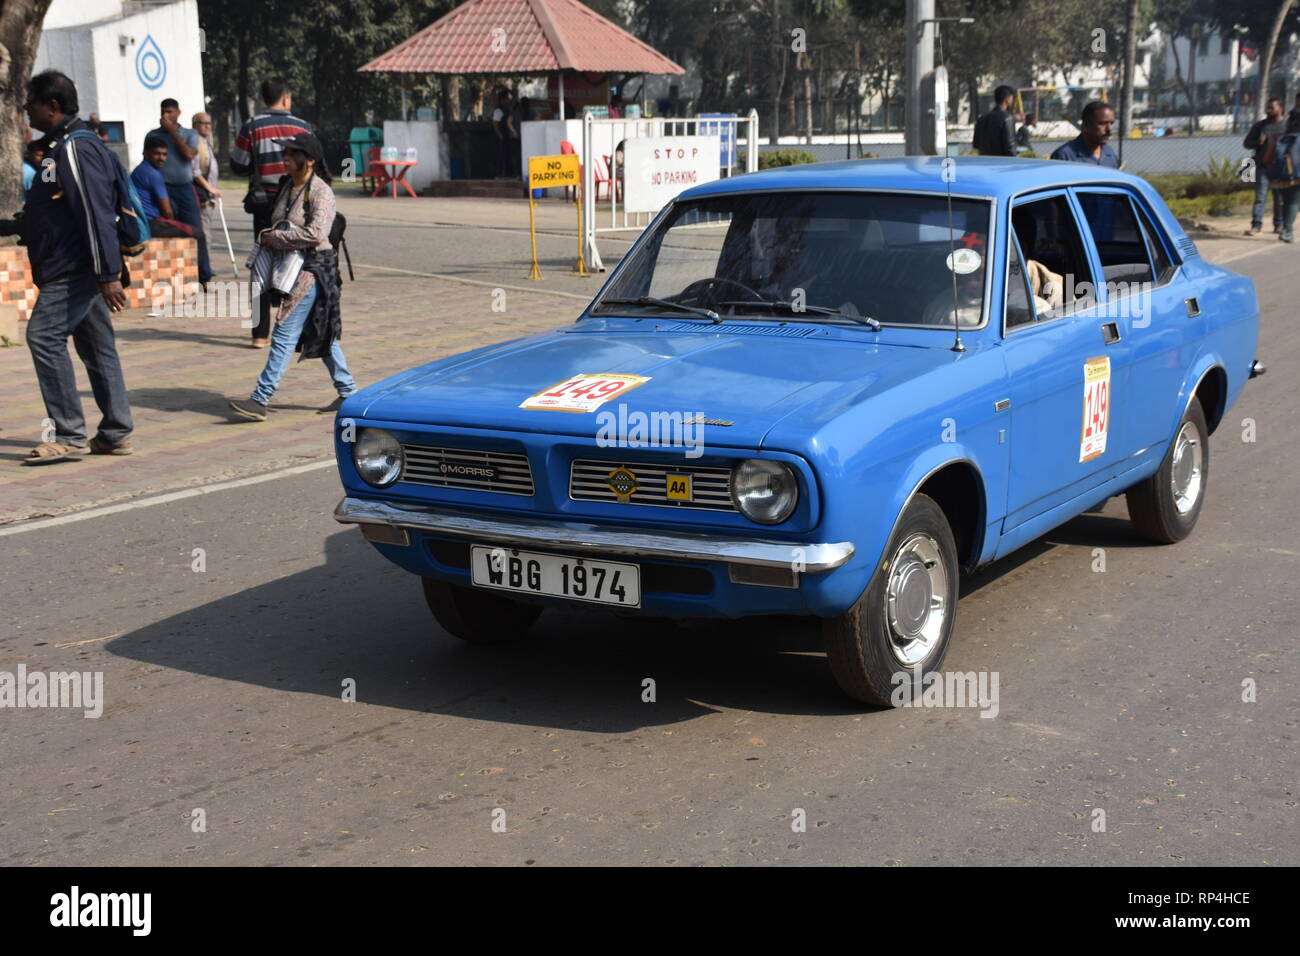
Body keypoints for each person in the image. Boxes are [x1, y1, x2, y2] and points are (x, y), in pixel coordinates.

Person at [19, 70, 134, 464]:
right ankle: (116, 431)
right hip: (72, 264)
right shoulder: (58, 146)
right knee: (97, 347)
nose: (25, 109)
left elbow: (95, 213)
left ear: (52, 106)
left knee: (42, 336)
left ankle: (67, 432)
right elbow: (54, 208)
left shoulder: (74, 147)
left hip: (76, 268)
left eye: (30, 102)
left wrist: (108, 275)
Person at [228, 131, 356, 421]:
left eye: (290, 155)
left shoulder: (321, 192)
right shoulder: (288, 186)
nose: (284, 159)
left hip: (312, 271)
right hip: (289, 268)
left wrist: (277, 238)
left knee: (284, 331)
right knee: (322, 333)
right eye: (284, 154)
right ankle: (349, 391)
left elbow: (316, 234)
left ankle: (260, 399)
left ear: (308, 160)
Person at [231, 78, 312, 347]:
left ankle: (259, 335)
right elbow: (314, 163)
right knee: (297, 262)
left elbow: (238, 165)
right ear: (286, 97)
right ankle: (294, 327)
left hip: (264, 202)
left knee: (260, 265)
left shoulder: (252, 126)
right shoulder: (302, 127)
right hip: (296, 202)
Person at [148, 98, 212, 286]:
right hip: (163, 189)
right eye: (163, 112)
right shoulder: (153, 135)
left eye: (170, 112)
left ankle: (204, 275)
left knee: (195, 230)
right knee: (168, 232)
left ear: (178, 113)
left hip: (184, 188)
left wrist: (172, 132)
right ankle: (175, 276)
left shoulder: (190, 134)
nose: (166, 115)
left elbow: (189, 155)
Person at [130, 135, 195, 237]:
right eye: (157, 154)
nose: (162, 158)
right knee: (197, 234)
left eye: (164, 154)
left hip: (140, 222)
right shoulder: (153, 174)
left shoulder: (138, 170)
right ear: (145, 153)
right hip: (151, 223)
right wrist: (171, 224)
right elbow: (167, 212)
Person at [1243, 98, 1285, 235]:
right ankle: (1256, 224)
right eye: (1267, 108)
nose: (1269, 110)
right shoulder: (1260, 126)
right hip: (1263, 166)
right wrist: (1258, 142)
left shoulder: (1287, 126)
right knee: (1260, 197)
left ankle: (1278, 224)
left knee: (1279, 198)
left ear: (1280, 108)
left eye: (1272, 107)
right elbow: (1247, 143)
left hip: (1281, 167)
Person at [190, 111, 223, 266]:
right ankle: (204, 269)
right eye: (204, 123)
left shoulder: (204, 142)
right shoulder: (196, 143)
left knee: (207, 231)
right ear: (195, 125)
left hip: (209, 196)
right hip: (202, 196)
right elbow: (195, 171)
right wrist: (210, 188)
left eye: (209, 123)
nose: (208, 126)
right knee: (204, 233)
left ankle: (205, 266)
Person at [1050, 101, 1120, 168]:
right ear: (1085, 125)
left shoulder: (1110, 154)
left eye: (1111, 123)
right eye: (1102, 123)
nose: (1109, 129)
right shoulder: (1065, 156)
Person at [1270, 111, 1300, 243]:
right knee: (1293, 203)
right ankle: (1286, 231)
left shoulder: (1281, 137)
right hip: (1297, 176)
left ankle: (1284, 227)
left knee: (1287, 202)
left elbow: (1267, 158)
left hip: (1281, 177)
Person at [973, 85, 1017, 157]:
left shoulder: (982, 119)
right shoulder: (1007, 118)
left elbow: (976, 144)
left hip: (984, 162)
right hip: (1001, 163)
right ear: (1008, 99)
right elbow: (1010, 147)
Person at [491, 90, 518, 178]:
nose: (508, 100)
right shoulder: (498, 110)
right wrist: (499, 135)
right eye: (507, 98)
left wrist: (508, 89)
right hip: (501, 136)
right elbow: (495, 123)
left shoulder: (507, 108)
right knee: (500, 155)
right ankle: (499, 174)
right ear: (503, 99)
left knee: (507, 154)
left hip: (507, 135)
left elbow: (514, 98)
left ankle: (508, 173)